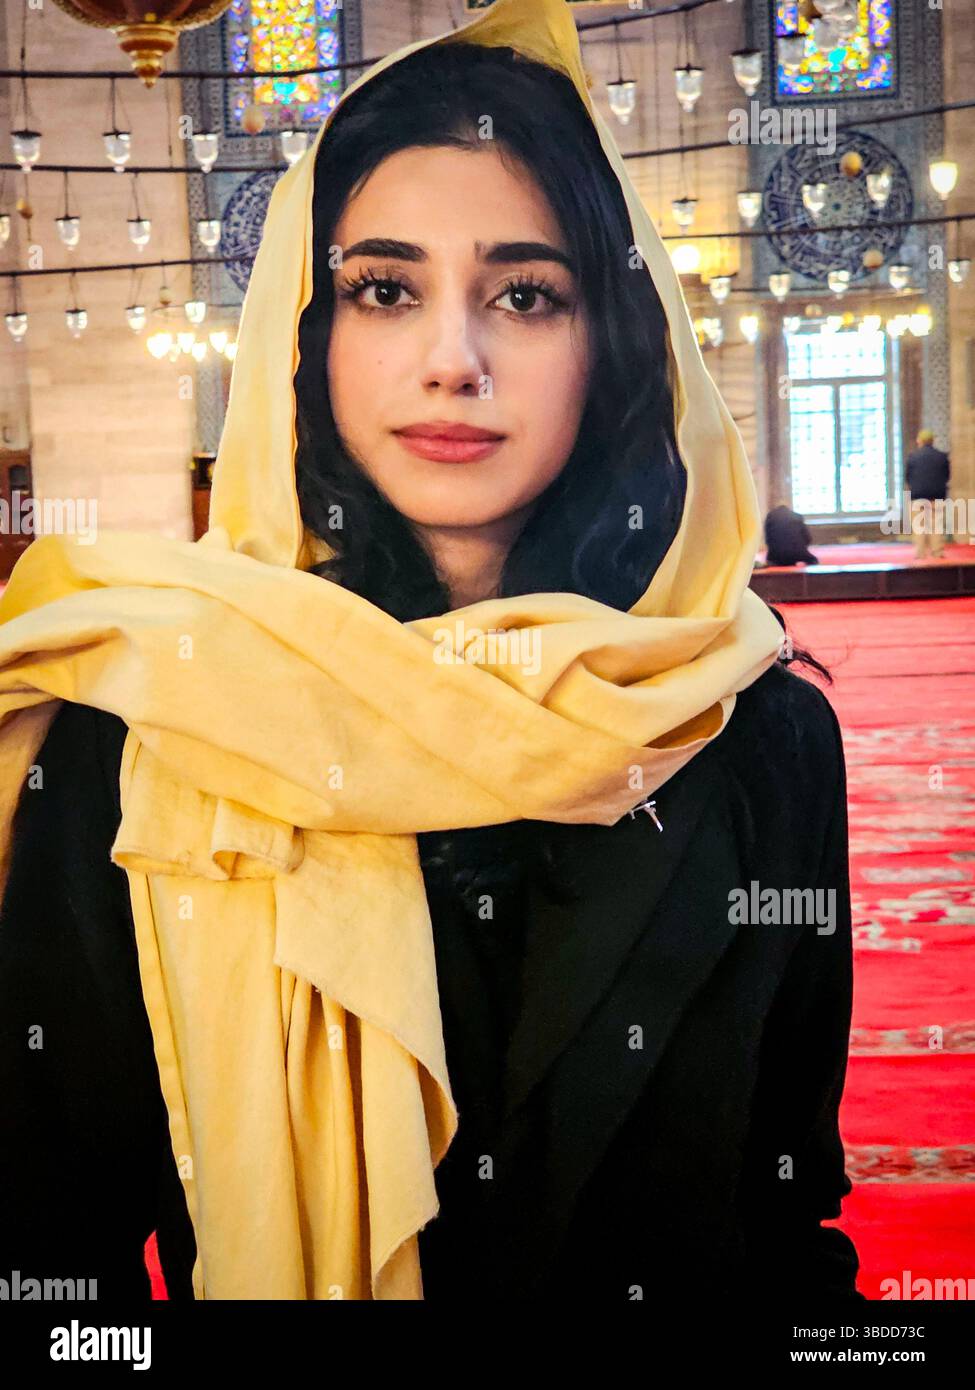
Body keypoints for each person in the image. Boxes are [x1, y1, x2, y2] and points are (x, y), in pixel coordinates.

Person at [0, 0, 864, 1304]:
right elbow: (55, 1262)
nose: (450, 360)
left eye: (523, 293)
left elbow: (784, 1212)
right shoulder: (146, 731)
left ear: (610, 340)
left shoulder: (749, 734)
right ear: (308, 340)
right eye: (384, 290)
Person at [905, 428, 951, 559]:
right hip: (937, 496)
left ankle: (920, 553)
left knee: (919, 525)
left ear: (919, 440)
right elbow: (947, 476)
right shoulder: (942, 457)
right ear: (932, 441)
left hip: (918, 496)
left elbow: (907, 478)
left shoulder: (913, 457)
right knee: (936, 524)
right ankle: (937, 552)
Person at [764, 503, 819, 567]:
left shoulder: (770, 516)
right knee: (813, 560)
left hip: (776, 555)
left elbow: (768, 539)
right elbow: (808, 538)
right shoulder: (797, 516)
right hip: (798, 552)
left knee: (771, 560)